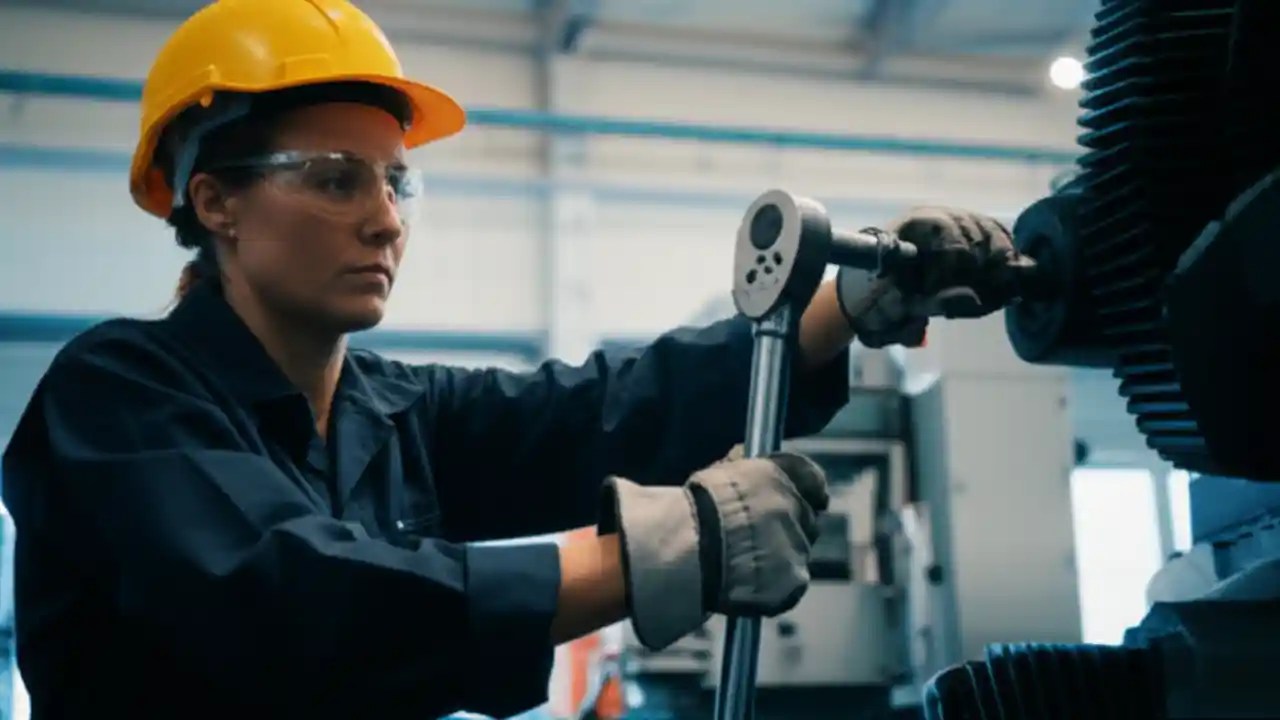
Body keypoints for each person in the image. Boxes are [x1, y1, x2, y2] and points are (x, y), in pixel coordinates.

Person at [0, 1, 1023, 718]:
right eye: (333, 179)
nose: (384, 221)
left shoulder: (386, 410)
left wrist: (848, 301)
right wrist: (657, 556)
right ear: (212, 200)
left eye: (396, 183)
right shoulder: (118, 394)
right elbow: (294, 601)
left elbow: (598, 410)